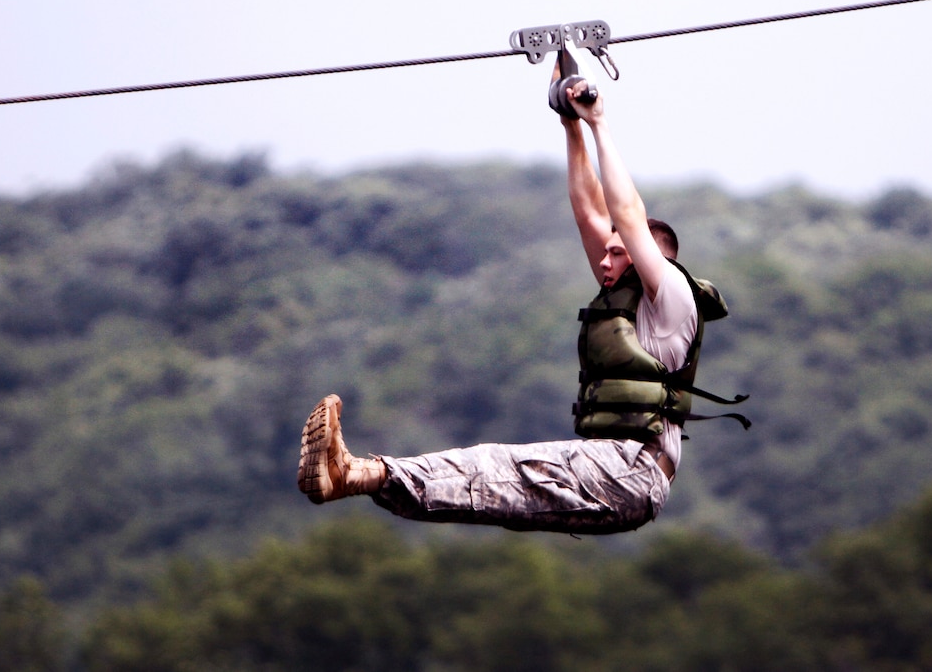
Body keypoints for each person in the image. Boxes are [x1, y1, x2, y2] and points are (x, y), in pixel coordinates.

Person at [296, 73, 742, 534]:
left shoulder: (671, 297)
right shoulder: (625, 294)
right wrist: (570, 125)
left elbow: (627, 214)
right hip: (612, 472)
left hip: (631, 471)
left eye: (618, 252)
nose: (604, 260)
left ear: (655, 257)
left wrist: (599, 123)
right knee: (487, 482)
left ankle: (354, 474)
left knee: (496, 467)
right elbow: (592, 211)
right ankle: (354, 476)